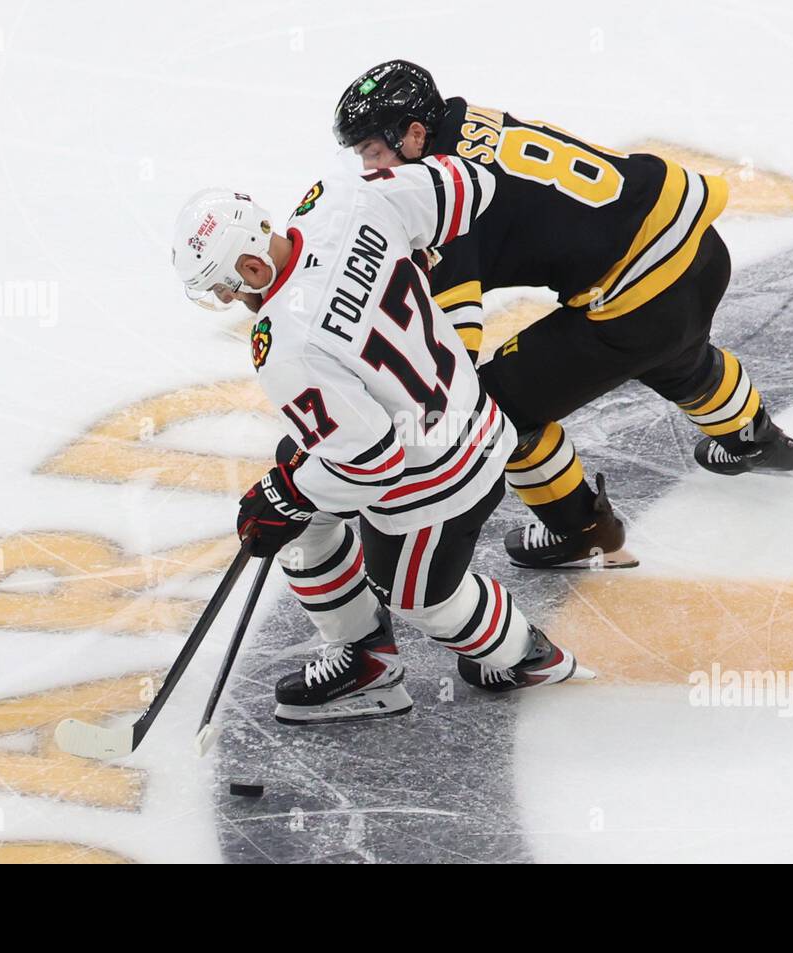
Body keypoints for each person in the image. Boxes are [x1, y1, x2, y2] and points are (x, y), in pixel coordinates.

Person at [332, 61, 793, 571]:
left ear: (413, 135)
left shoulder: (443, 188)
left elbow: (455, 343)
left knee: (492, 410)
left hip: (640, 298)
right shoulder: (461, 119)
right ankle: (757, 440)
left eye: (373, 151)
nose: (369, 168)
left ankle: (582, 530)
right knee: (676, 355)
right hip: (696, 245)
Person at [170, 161, 591, 725]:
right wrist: (416, 253)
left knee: (421, 597)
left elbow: (374, 463)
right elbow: (470, 186)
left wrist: (283, 493)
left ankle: (524, 657)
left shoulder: (284, 345)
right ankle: (364, 658)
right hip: (477, 419)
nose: (231, 301)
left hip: (434, 479)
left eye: (226, 289)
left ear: (250, 266)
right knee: (305, 524)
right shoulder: (338, 198)